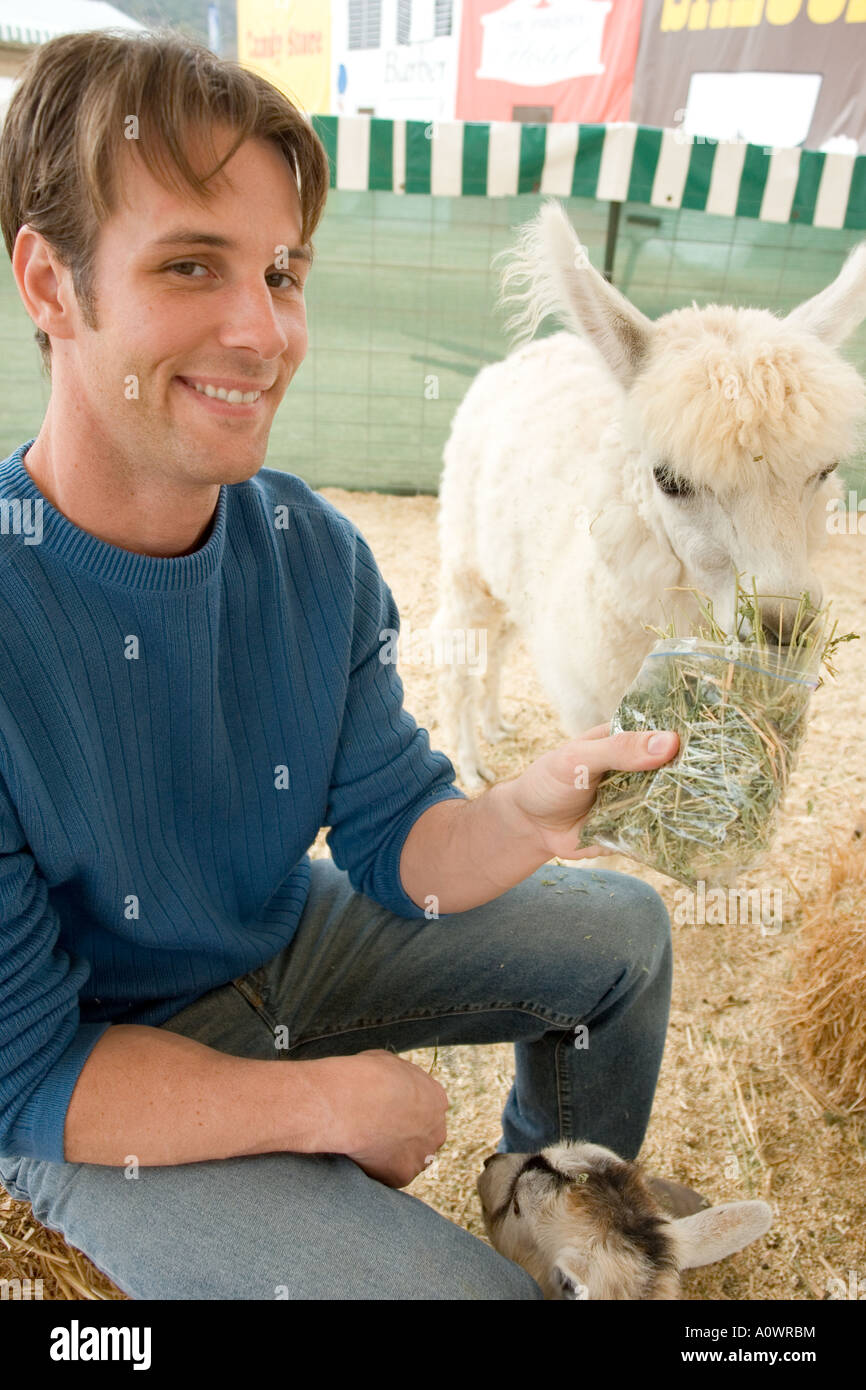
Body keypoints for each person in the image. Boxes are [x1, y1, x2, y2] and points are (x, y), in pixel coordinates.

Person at [0, 29, 686, 1300]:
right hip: (101, 1069)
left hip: (282, 934)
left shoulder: (311, 551)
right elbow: (30, 1072)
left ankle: (549, 1215)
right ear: (51, 284)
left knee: (626, 934)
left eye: (281, 271)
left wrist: (521, 811)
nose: (261, 331)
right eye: (191, 265)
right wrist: (324, 1103)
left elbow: (394, 840)